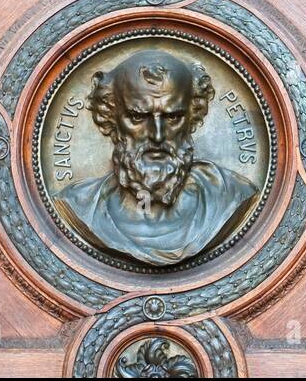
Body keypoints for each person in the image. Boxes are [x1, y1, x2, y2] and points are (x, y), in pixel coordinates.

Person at [54, 50, 258, 266]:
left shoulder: (230, 195)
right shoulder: (80, 204)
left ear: (192, 116)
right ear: (111, 117)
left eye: (173, 117)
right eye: (137, 116)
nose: (157, 136)